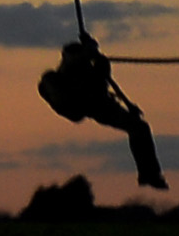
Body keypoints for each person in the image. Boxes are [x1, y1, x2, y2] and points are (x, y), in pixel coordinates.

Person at [37, 34, 168, 189]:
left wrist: (95, 53)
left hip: (96, 103)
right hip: (75, 102)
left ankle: (149, 174)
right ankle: (149, 174)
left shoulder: (91, 69)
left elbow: (102, 79)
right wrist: (89, 52)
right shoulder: (54, 78)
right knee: (56, 82)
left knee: (140, 128)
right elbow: (66, 83)